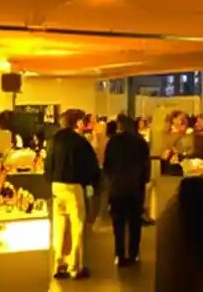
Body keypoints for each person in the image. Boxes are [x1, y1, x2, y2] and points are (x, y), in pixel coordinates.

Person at [45, 108, 101, 280]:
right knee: (77, 227)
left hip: (56, 186)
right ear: (77, 123)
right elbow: (91, 167)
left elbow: (47, 165)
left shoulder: (53, 141)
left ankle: (58, 263)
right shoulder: (80, 142)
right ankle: (75, 266)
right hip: (74, 187)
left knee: (60, 226)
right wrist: (93, 185)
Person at [103, 113, 151, 267]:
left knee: (118, 223)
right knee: (135, 222)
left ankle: (119, 254)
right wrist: (143, 180)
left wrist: (111, 180)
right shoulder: (140, 142)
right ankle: (134, 253)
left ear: (119, 125)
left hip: (117, 188)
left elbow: (107, 165)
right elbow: (146, 166)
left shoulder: (113, 142)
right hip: (135, 188)